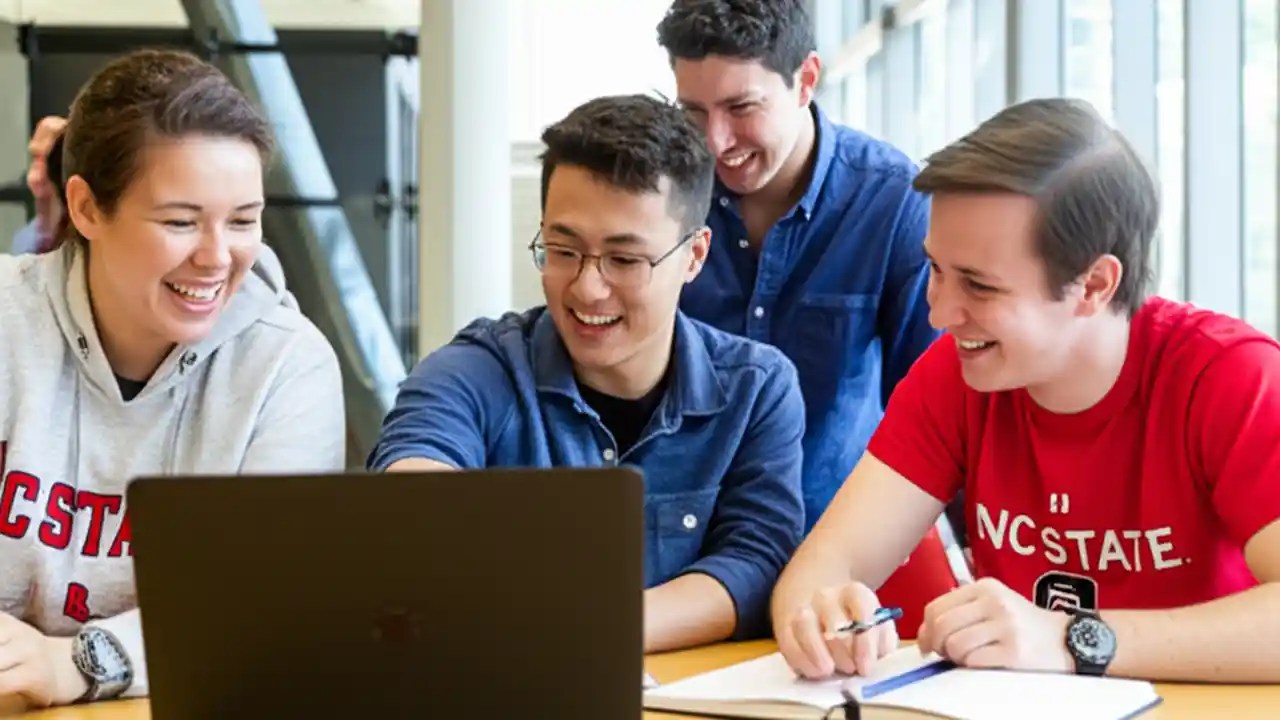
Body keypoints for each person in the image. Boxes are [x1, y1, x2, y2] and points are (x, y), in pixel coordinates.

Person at [770, 98, 1280, 684]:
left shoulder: (1232, 379)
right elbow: (823, 568)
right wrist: (820, 615)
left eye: (979, 287)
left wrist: (1071, 639)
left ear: (1093, 284)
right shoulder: (957, 375)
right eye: (935, 269)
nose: (938, 313)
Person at [368, 94, 806, 653]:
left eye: (624, 260)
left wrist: (587, 629)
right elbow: (407, 497)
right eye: (562, 250)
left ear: (694, 256)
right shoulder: (477, 369)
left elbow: (756, 561)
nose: (586, 288)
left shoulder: (756, 389)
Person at [0, 48, 346, 708]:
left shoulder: (286, 367)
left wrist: (78, 662)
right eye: (180, 222)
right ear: (86, 208)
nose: (218, 256)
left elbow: (268, 604)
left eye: (244, 220)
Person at [656, 0, 940, 531]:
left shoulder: (892, 203)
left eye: (741, 107)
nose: (716, 142)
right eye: (693, 112)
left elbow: (936, 408)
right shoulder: (664, 196)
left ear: (806, 80)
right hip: (685, 539)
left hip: (836, 544)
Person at [10, 116, 68, 255]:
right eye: (35, 157)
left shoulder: (87, 239)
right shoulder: (23, 241)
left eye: (47, 158)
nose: (38, 171)